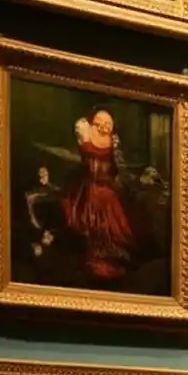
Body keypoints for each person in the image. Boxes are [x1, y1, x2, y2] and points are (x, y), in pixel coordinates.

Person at [59, 109, 135, 281]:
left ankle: (112, 256)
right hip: (91, 189)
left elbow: (117, 168)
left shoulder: (111, 143)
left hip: (105, 190)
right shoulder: (87, 136)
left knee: (113, 222)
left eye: (106, 124)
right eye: (100, 123)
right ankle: (95, 256)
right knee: (92, 220)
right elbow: (87, 158)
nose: (103, 127)